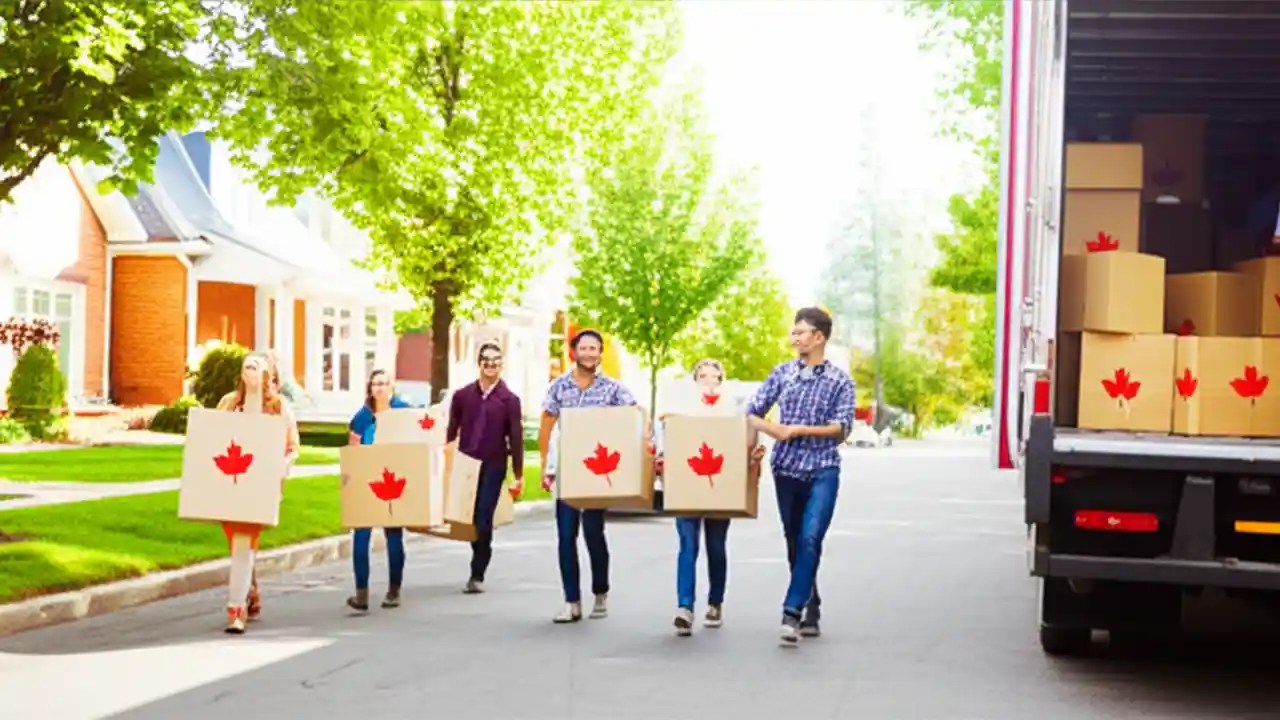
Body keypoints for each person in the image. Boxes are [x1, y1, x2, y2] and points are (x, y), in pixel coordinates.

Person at [746, 307, 855, 647]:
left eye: (801, 332)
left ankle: (791, 612)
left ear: (819, 337)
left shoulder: (840, 381)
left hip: (823, 468)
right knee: (795, 541)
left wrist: (802, 429)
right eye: (793, 333)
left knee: (811, 538)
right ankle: (812, 602)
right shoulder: (782, 374)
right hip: (786, 469)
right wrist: (773, 430)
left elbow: (842, 428)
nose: (795, 338)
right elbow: (751, 413)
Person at [655, 359, 766, 636]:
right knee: (687, 545)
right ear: (695, 381)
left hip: (720, 487)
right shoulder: (681, 410)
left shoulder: (732, 411)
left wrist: (754, 455)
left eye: (714, 377)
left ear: (721, 380)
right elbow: (667, 436)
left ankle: (715, 602)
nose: (708, 381)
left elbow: (748, 438)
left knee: (716, 546)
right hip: (687, 486)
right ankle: (684, 607)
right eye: (703, 376)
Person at [538, 329, 640, 624]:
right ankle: (572, 602)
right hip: (567, 470)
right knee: (566, 536)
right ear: (574, 351)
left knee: (593, 533)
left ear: (600, 353)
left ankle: (600, 591)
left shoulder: (613, 389)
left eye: (594, 348)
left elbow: (633, 416)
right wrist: (547, 466)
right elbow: (546, 426)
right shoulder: (559, 387)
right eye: (584, 348)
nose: (589, 353)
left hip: (597, 470)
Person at [216, 351, 301, 634]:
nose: (251, 369)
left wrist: (281, 468)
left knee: (244, 542)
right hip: (229, 482)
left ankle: (235, 610)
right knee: (238, 544)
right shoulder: (229, 404)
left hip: (261, 487)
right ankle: (250, 588)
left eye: (257, 366)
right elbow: (213, 438)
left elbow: (292, 447)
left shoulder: (278, 407)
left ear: (267, 375)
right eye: (247, 365)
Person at [447, 342, 525, 594]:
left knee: (483, 516)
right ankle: (477, 554)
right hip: (466, 462)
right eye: (486, 360)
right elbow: (451, 429)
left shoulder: (509, 400)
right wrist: (446, 456)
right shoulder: (462, 396)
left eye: (496, 360)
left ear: (502, 364)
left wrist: (519, 474)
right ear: (479, 363)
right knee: (469, 518)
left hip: (493, 463)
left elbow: (516, 438)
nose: (490, 365)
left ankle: (477, 572)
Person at [345, 368, 411, 613]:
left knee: (393, 535)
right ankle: (361, 593)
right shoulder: (362, 417)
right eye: (375, 384)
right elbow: (352, 452)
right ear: (370, 388)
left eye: (384, 383)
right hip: (367, 480)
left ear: (391, 386)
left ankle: (394, 589)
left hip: (393, 478)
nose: (379, 388)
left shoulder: (403, 412)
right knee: (361, 537)